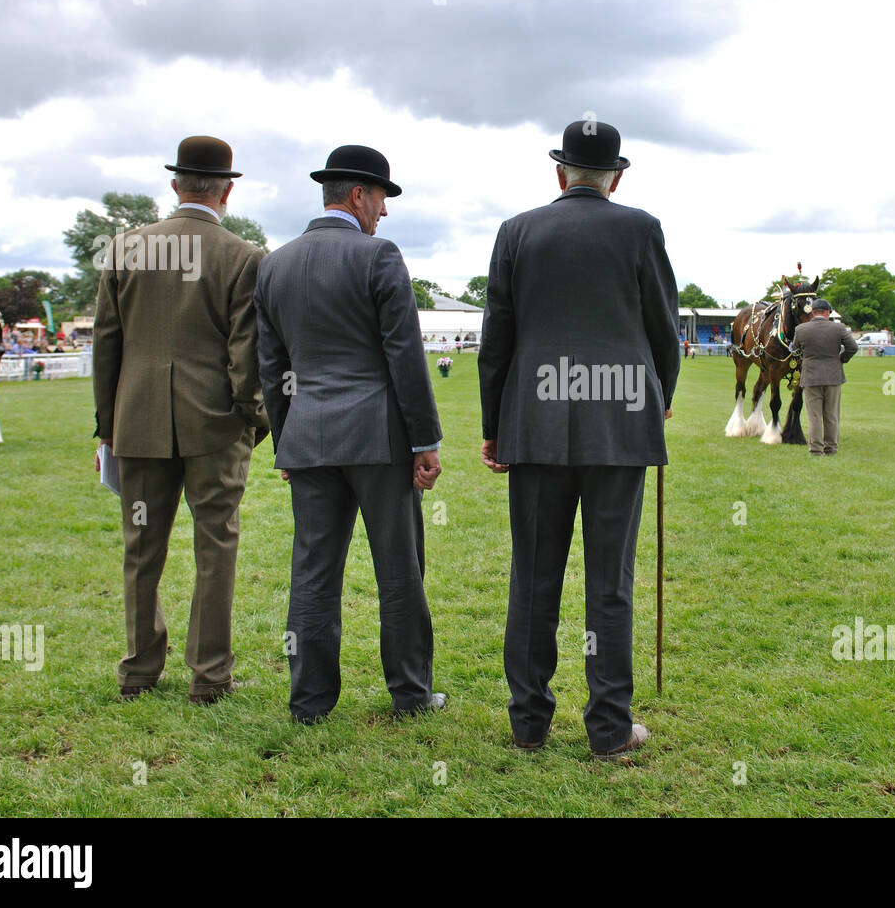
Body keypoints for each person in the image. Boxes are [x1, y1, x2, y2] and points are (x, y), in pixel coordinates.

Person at [478, 119, 679, 760]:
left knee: (533, 578)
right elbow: (664, 330)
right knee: (609, 583)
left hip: (532, 423)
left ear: (560, 172)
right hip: (619, 422)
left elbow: (496, 341)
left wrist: (493, 429)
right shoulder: (641, 227)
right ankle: (609, 727)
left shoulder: (516, 231)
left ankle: (528, 723)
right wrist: (660, 398)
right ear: (615, 176)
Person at [255, 144, 445, 724]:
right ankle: (410, 694)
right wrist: (425, 441)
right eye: (382, 198)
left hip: (308, 438)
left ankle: (309, 701)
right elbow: (405, 357)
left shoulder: (274, 264)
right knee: (399, 569)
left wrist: (285, 439)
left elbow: (271, 366)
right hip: (378, 439)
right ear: (359, 195)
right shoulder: (379, 256)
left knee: (312, 573)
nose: (384, 212)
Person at [92, 135, 269, 705]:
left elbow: (106, 347)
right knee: (215, 545)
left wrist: (107, 424)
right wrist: (252, 419)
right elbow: (246, 355)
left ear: (175, 185)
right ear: (228, 190)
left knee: (142, 548)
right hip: (214, 424)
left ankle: (140, 668)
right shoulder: (242, 256)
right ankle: (210, 674)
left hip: (136, 421)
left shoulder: (124, 249)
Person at [792, 298, 858, 455]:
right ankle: (831, 448)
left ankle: (815, 449)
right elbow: (853, 347)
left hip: (811, 376)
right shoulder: (838, 328)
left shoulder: (801, 329)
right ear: (828, 312)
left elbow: (795, 349)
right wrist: (841, 359)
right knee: (832, 415)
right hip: (833, 376)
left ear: (812, 313)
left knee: (814, 415)